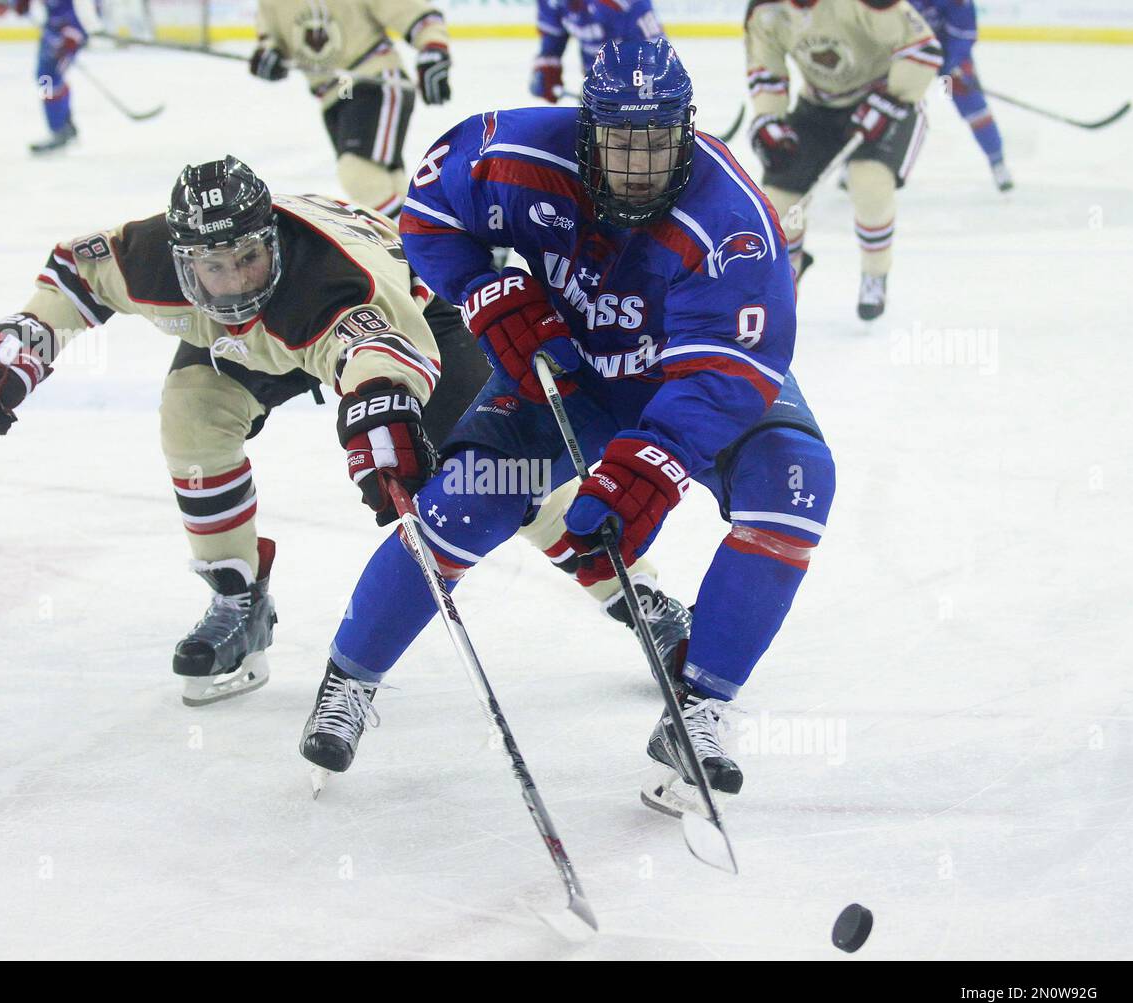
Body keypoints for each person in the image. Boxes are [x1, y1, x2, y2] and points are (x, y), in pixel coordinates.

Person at [302, 40, 836, 814]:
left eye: (658, 143)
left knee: (793, 484)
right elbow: (426, 211)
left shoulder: (733, 222)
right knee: (463, 503)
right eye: (622, 142)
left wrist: (652, 465)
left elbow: (728, 372)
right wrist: (484, 291)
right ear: (588, 131)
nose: (639, 165)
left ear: (685, 131)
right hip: (570, 373)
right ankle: (349, 678)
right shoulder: (515, 152)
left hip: (687, 386)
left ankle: (700, 706)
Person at [0, 157, 685, 705]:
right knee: (192, 409)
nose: (236, 278)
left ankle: (635, 592)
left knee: (500, 475)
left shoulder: (335, 279)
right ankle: (238, 599)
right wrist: (27, 337)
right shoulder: (148, 255)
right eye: (214, 266)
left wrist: (379, 409)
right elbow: (74, 271)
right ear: (184, 262)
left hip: (409, 322)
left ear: (271, 239)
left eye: (248, 256)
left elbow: (380, 351)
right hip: (268, 343)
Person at [745, 0, 941, 319]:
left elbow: (922, 49)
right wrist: (769, 120)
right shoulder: (766, 10)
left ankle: (875, 274)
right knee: (780, 204)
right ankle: (784, 280)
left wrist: (891, 98)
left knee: (870, 183)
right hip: (818, 108)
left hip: (886, 99)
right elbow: (767, 72)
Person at [248, 0, 454, 219]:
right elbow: (270, 39)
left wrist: (433, 47)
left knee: (359, 174)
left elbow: (412, 12)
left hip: (375, 80)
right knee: (387, 182)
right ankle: (441, 237)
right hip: (331, 97)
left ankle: (417, 245)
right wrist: (268, 56)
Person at [907, 0, 1011, 190]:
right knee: (884, 103)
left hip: (948, 60)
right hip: (907, 57)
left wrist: (953, 66)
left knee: (973, 106)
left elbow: (963, 32)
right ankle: (862, 164)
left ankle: (997, 162)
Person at [529, 0, 664, 103]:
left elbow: (652, 53)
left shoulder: (623, 4)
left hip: (639, 86)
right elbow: (553, 38)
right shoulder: (552, 3)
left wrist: (634, 89)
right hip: (595, 87)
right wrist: (547, 69)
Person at [17, 0, 88, 154]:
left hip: (69, 31)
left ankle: (59, 129)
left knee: (49, 79)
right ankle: (64, 125)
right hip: (53, 30)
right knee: (45, 78)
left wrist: (73, 34)